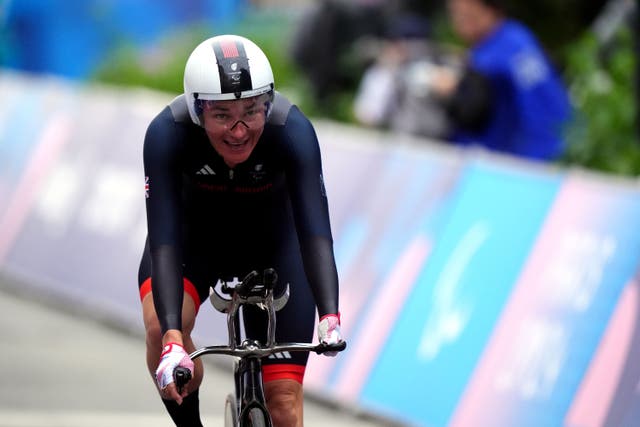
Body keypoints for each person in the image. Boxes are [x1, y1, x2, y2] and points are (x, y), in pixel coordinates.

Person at [138, 34, 344, 427]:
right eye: (221, 116)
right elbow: (163, 240)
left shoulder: (290, 128)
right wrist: (172, 341)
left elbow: (315, 230)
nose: (238, 130)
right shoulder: (167, 133)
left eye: (251, 111)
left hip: (276, 245)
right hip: (192, 242)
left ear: (267, 103)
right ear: (198, 111)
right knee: (159, 330)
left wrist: (330, 315)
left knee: (283, 402)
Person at [430, 0, 572, 161]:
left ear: (490, 9)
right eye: (455, 14)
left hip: (523, 161)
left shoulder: (507, 47)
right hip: (520, 155)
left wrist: (453, 88)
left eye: (467, 13)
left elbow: (546, 108)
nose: (459, 21)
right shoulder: (506, 40)